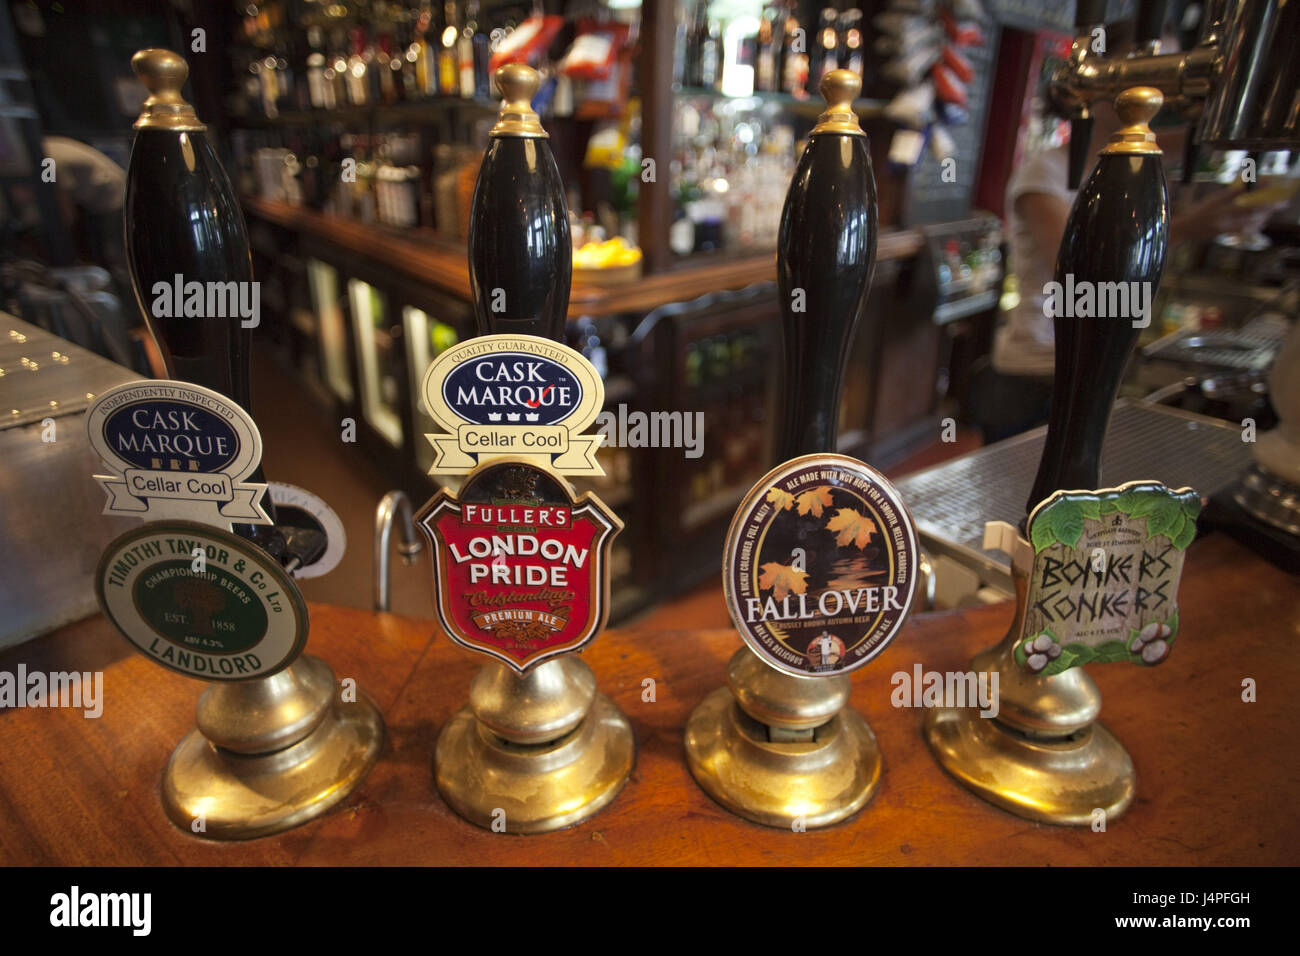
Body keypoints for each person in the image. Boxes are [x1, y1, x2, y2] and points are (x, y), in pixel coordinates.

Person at [975, 27, 1285, 444]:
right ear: (1099, 81)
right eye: (1146, 72)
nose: (1159, 93)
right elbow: (1082, 276)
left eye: (1168, 78)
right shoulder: (1046, 173)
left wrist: (1246, 138)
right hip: (1037, 372)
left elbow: (1191, 143)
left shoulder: (1125, 169)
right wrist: (1193, 225)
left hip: (1094, 365)